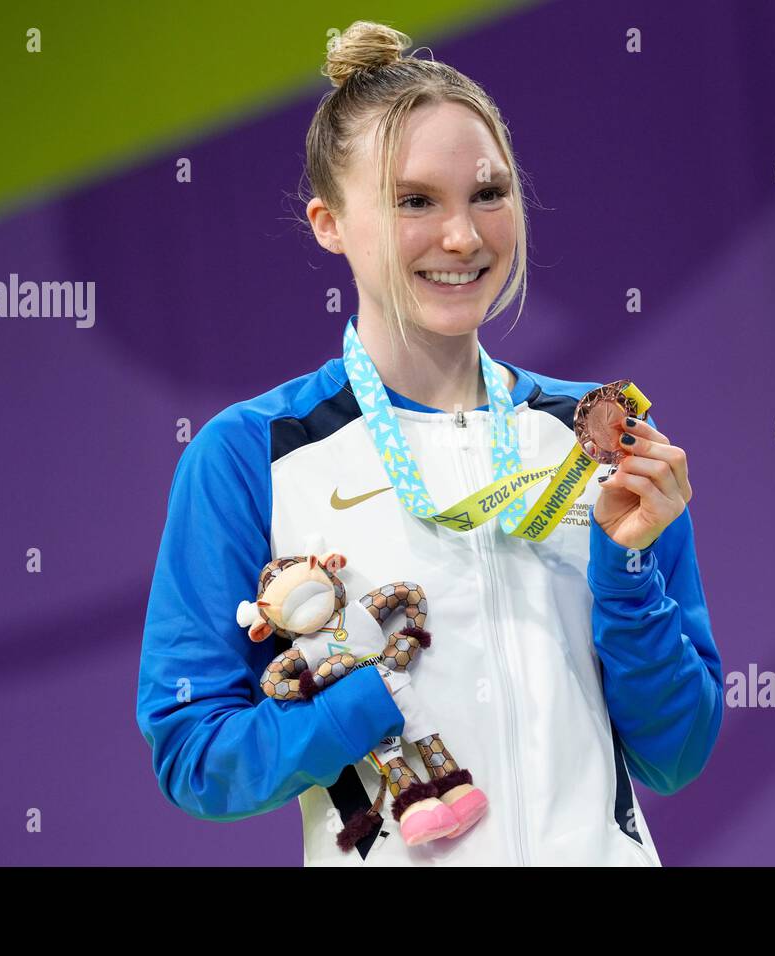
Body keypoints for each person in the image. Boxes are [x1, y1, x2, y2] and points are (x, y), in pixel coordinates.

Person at [135, 20, 723, 866]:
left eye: (489, 193)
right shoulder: (247, 455)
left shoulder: (597, 436)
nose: (463, 237)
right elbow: (194, 757)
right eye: (415, 201)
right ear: (329, 223)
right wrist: (361, 697)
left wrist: (628, 573)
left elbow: (677, 753)